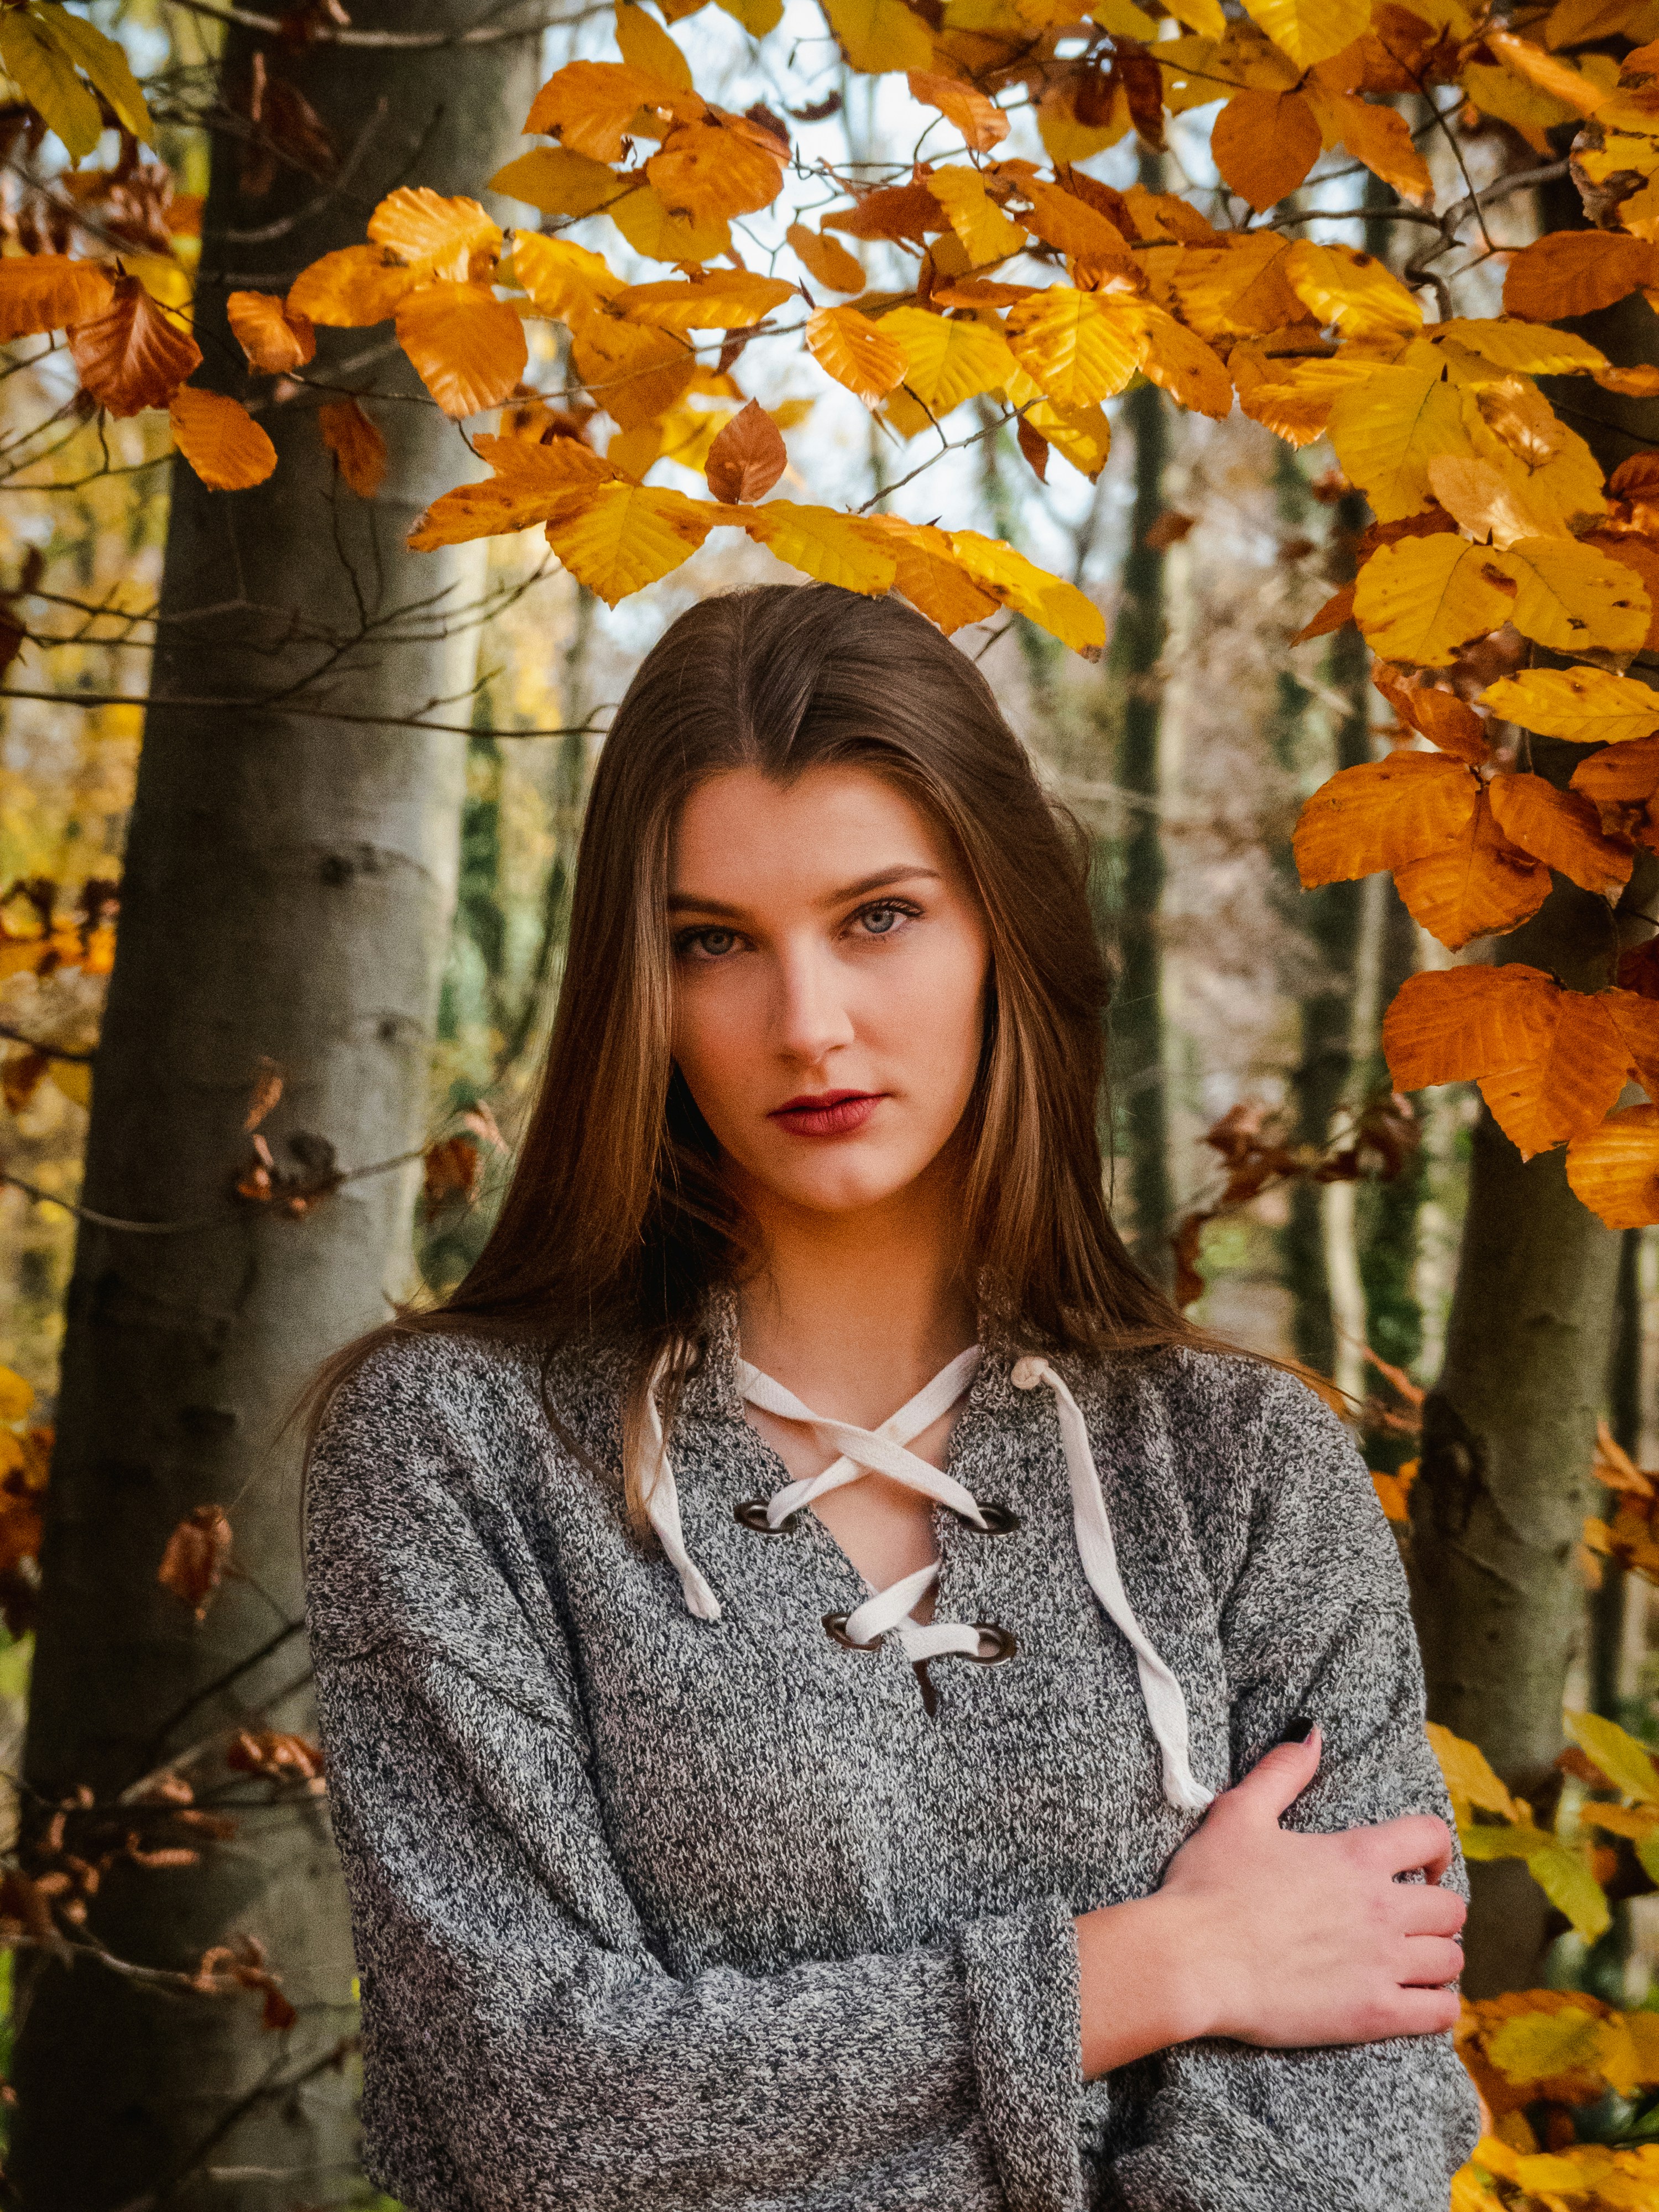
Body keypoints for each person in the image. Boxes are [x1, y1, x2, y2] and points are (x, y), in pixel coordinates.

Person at [303, 582, 1481, 2212]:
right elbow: (545, 2113)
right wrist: (1168, 1964)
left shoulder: (1245, 1468)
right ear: (638, 986)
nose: (808, 1025)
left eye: (878, 917)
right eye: (714, 942)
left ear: (1003, 927)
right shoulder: (460, 1454)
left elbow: (1360, 2100)